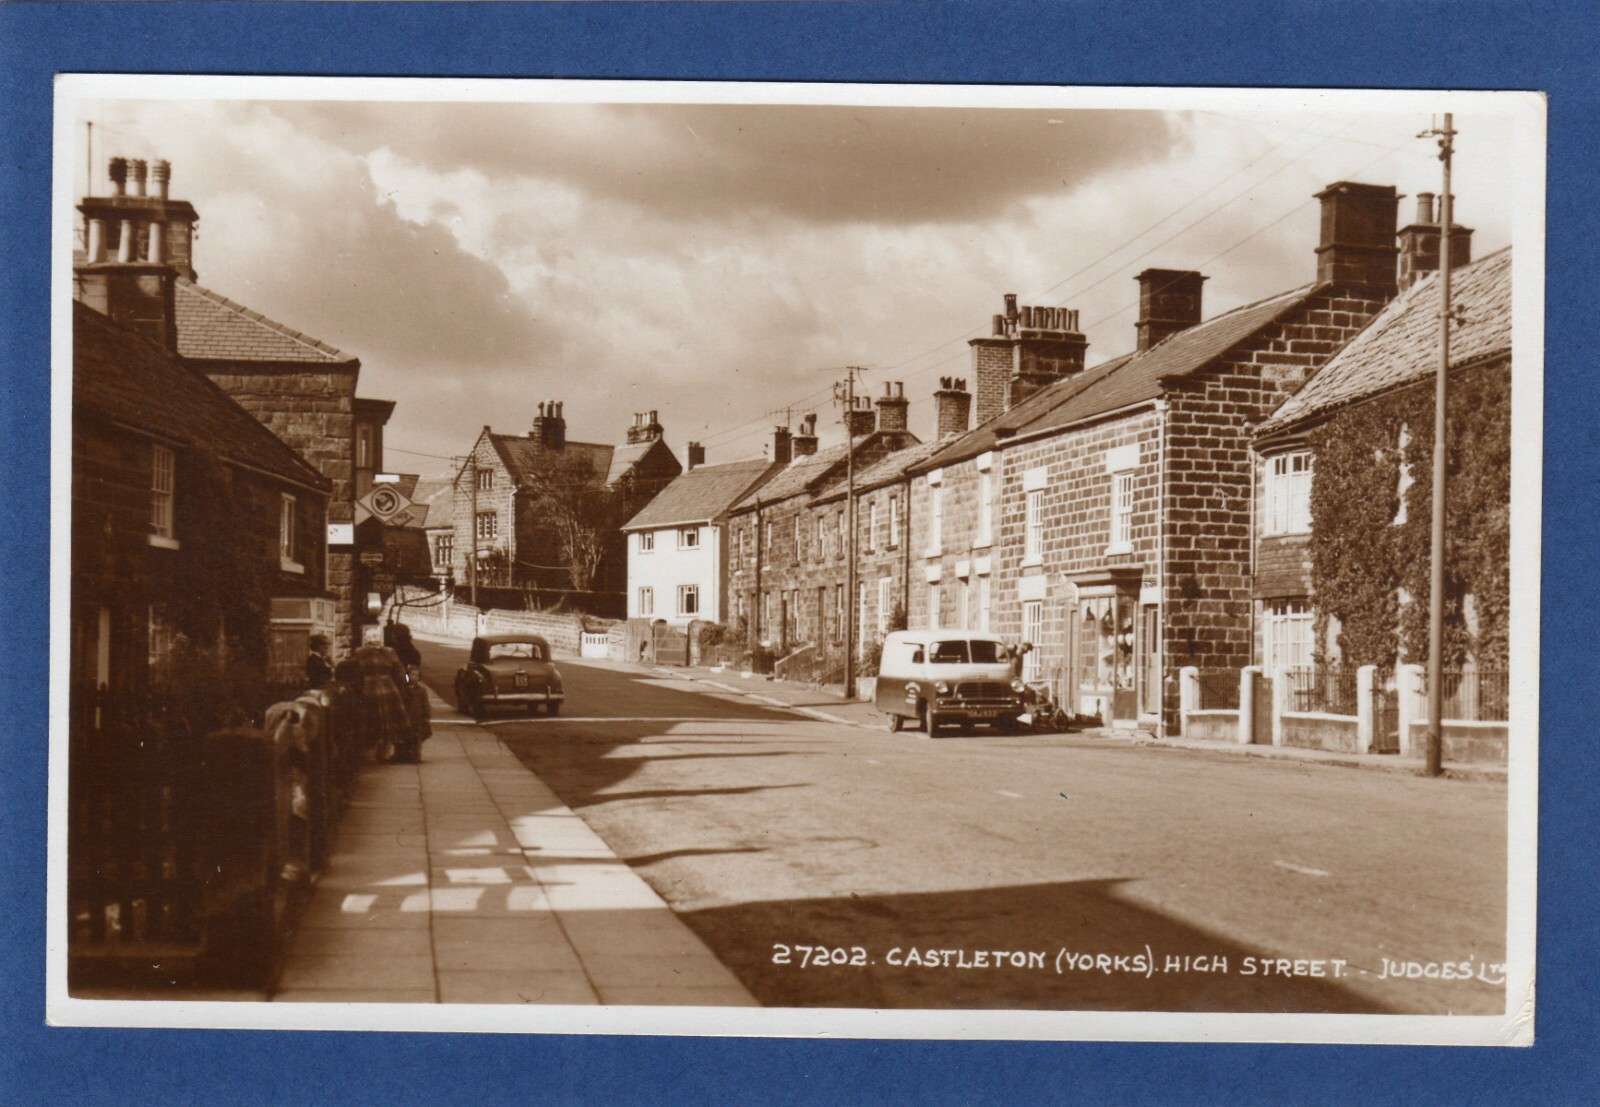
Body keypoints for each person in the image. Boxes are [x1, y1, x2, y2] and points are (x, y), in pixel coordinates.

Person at [351, 634, 416, 764]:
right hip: (388, 688)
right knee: (389, 720)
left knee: (370, 720)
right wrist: (408, 682)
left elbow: (354, 671)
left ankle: (370, 752)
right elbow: (402, 672)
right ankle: (384, 753)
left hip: (368, 688)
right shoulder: (389, 652)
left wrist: (356, 687)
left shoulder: (359, 652)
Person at [385, 622, 430, 756]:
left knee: (399, 720)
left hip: (401, 688)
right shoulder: (413, 651)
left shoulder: (396, 651)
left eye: (393, 634)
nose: (391, 637)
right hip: (409, 687)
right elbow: (413, 671)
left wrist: (404, 680)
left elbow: (406, 672)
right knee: (408, 721)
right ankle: (408, 751)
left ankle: (401, 752)